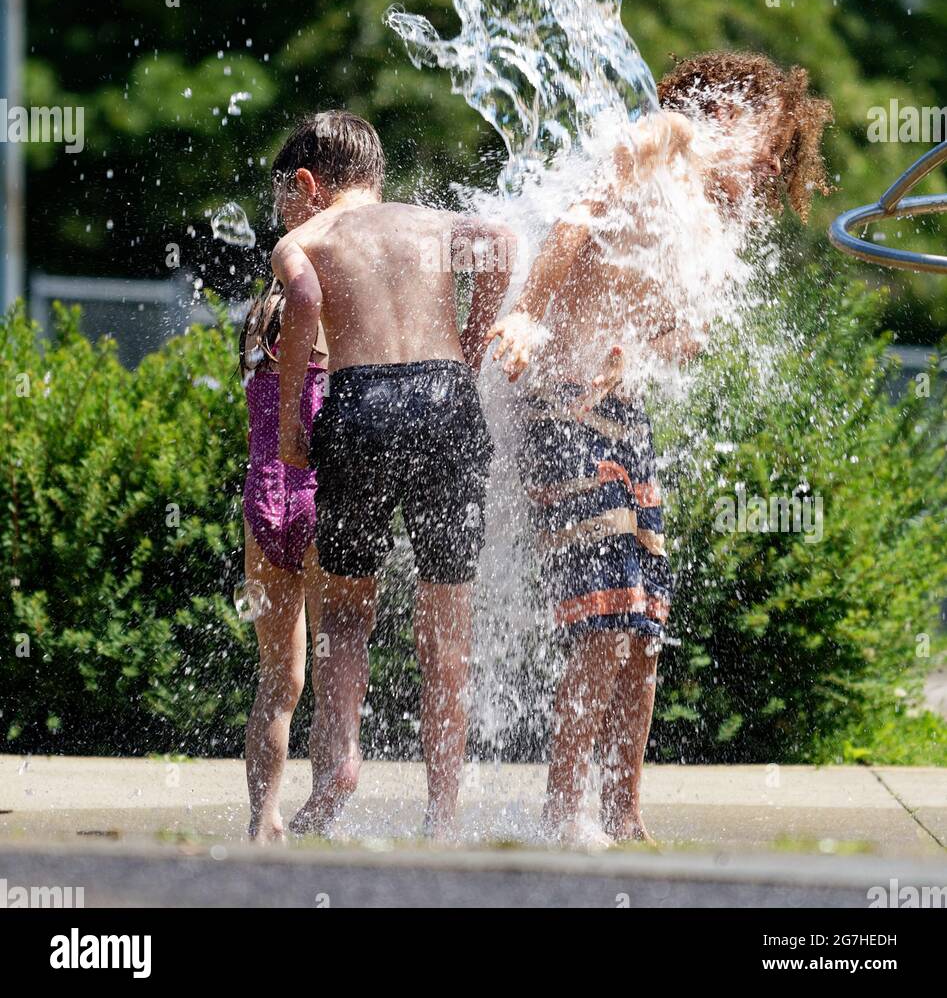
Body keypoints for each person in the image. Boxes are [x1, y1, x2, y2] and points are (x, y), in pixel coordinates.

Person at [489, 51, 833, 845]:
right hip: (557, 405)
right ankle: (562, 814)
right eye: (768, 140)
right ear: (729, 110)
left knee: (643, 625)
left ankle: (623, 813)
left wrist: (660, 339)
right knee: (606, 611)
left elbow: (666, 336)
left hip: (620, 417)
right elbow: (576, 220)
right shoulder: (663, 138)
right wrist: (526, 315)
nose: (771, 165)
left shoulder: (704, 220)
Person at [272, 109, 516, 838]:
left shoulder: (305, 237)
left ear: (308, 185)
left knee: (346, 614)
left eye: (282, 194)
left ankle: (340, 766)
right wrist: (467, 348)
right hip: (446, 403)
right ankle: (442, 812)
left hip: (360, 406)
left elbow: (307, 300)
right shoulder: (434, 222)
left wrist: (291, 423)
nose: (279, 211)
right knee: (447, 619)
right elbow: (504, 242)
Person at [240, 276, 328, 845]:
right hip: (320, 494)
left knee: (279, 679)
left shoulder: (256, 320)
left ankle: (262, 817)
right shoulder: (328, 323)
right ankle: (326, 800)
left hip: (264, 496)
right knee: (337, 666)